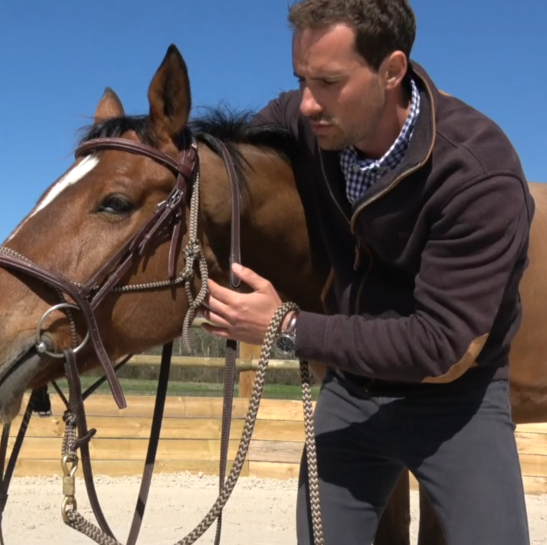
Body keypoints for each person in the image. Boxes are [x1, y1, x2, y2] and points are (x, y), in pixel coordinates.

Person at [200, 0, 534, 543]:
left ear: (392, 71)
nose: (307, 103)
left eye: (329, 82)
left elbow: (437, 344)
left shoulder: (478, 172)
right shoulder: (310, 121)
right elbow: (227, 160)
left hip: (456, 398)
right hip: (352, 391)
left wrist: (287, 328)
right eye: (301, 79)